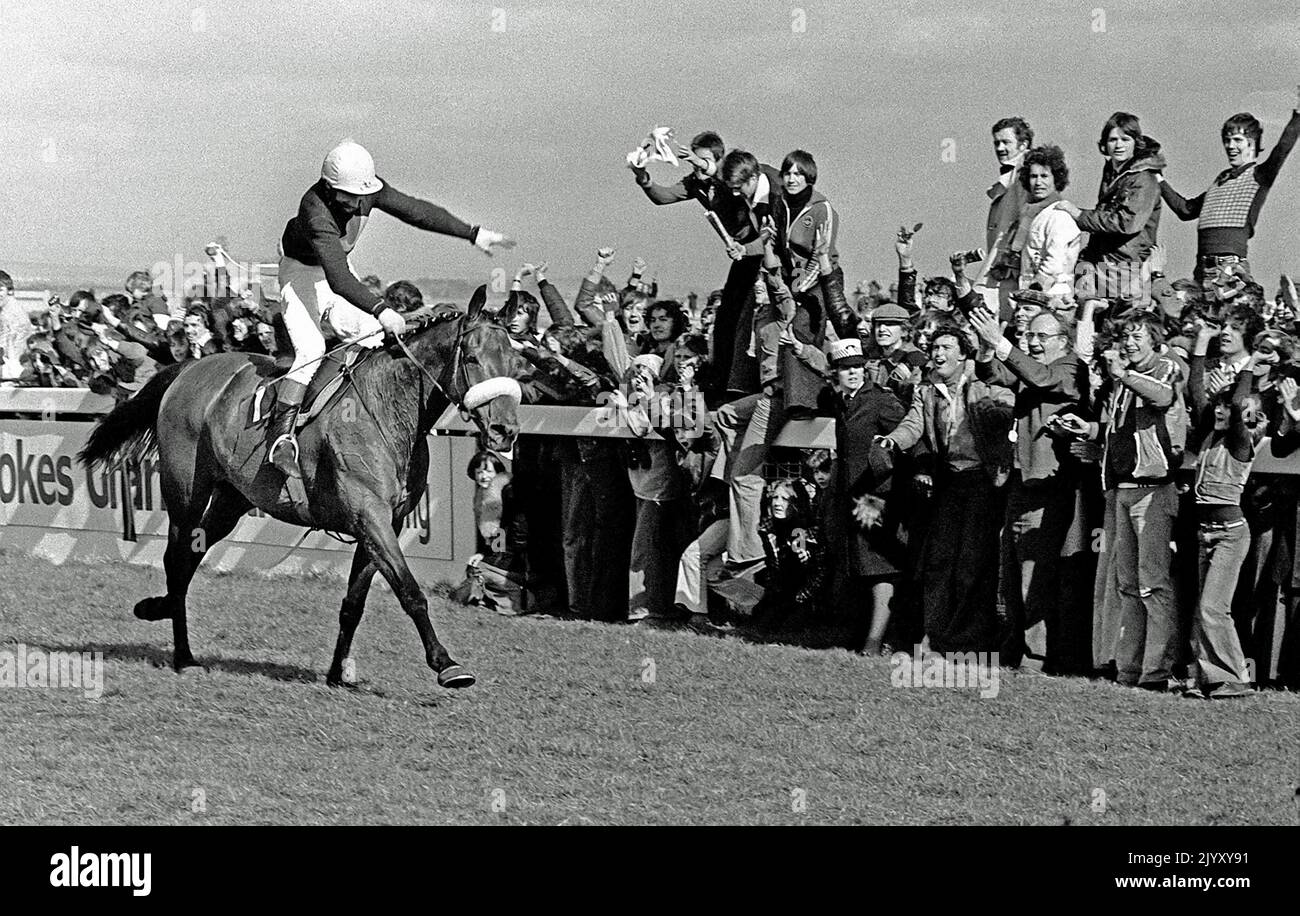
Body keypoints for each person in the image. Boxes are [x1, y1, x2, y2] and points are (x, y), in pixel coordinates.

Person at [270, 140, 513, 476]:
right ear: (328, 188)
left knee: (368, 336)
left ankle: (354, 422)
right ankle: (280, 438)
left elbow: (415, 211)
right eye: (348, 197)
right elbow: (339, 280)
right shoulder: (315, 209)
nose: (356, 205)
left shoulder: (365, 186)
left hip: (336, 265)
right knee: (311, 348)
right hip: (300, 271)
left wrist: (471, 232)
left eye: (361, 196)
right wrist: (382, 308)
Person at [879, 323, 1014, 653]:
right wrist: (893, 440)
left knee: (973, 563)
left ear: (963, 353)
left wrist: (997, 417)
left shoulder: (983, 382)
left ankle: (969, 639)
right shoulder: (927, 389)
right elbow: (914, 424)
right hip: (950, 481)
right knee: (938, 562)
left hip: (984, 480)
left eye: (946, 348)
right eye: (935, 348)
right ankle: (936, 636)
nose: (938, 354)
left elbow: (1006, 408)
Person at [969, 306, 1090, 671]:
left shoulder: (1071, 368)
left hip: (1050, 486)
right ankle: (1013, 649)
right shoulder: (1031, 366)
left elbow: (1039, 377)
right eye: (1030, 336)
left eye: (1042, 337)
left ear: (1064, 341)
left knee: (1034, 579)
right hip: (1020, 482)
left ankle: (1036, 658)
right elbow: (993, 374)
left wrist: (1003, 345)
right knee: (1012, 575)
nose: (1033, 343)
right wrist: (986, 349)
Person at [1183, 322, 1263, 698]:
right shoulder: (1210, 434)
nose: (1217, 410)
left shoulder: (1238, 441)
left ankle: (1235, 677)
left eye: (1223, 407)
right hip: (1205, 532)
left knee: (1214, 608)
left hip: (1231, 533)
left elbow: (1234, 404)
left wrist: (1247, 367)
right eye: (1215, 406)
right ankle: (1207, 679)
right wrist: (1201, 346)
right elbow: (1196, 393)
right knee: (1205, 610)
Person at [1157, 87, 1300, 293]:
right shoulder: (1219, 181)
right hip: (1202, 267)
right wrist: (1159, 179)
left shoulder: (1259, 175)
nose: (1230, 146)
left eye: (1237, 140)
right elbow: (1186, 210)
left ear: (1253, 143)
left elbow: (1282, 148)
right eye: (1227, 140)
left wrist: (1297, 115)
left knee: (1229, 323)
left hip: (1230, 267)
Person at [818, 337, 906, 654]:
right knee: (858, 566)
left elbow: (907, 434)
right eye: (845, 368)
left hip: (877, 495)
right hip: (851, 495)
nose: (853, 373)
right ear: (836, 373)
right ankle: (864, 637)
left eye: (857, 367)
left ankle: (875, 641)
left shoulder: (881, 399)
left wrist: (918, 471)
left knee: (879, 568)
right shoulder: (842, 401)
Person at [1058, 113, 1165, 305]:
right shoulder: (1115, 176)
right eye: (1112, 140)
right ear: (1104, 144)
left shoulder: (1143, 179)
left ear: (1136, 143)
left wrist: (1079, 215)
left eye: (1125, 139)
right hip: (1102, 267)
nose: (1118, 145)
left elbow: (1127, 222)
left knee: (1120, 328)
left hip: (1127, 271)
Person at [977, 117, 1034, 317]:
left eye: (1006, 142)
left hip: (1010, 268)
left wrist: (1013, 260)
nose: (1000, 148)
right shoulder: (1012, 175)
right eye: (996, 143)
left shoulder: (1025, 175)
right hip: (1003, 266)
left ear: (1023, 144)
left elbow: (1027, 220)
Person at [1012, 145, 1081, 298]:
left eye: (1044, 176)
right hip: (1031, 291)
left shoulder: (1059, 215)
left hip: (1052, 294)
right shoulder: (1031, 213)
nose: (1038, 182)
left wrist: (1035, 290)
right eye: (1033, 176)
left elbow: (1055, 261)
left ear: (1056, 179)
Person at [0, 270, 36, 385]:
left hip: (13, 371)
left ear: (9, 291)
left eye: (0, 290)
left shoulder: (14, 313)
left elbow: (16, 349)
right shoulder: (4, 310)